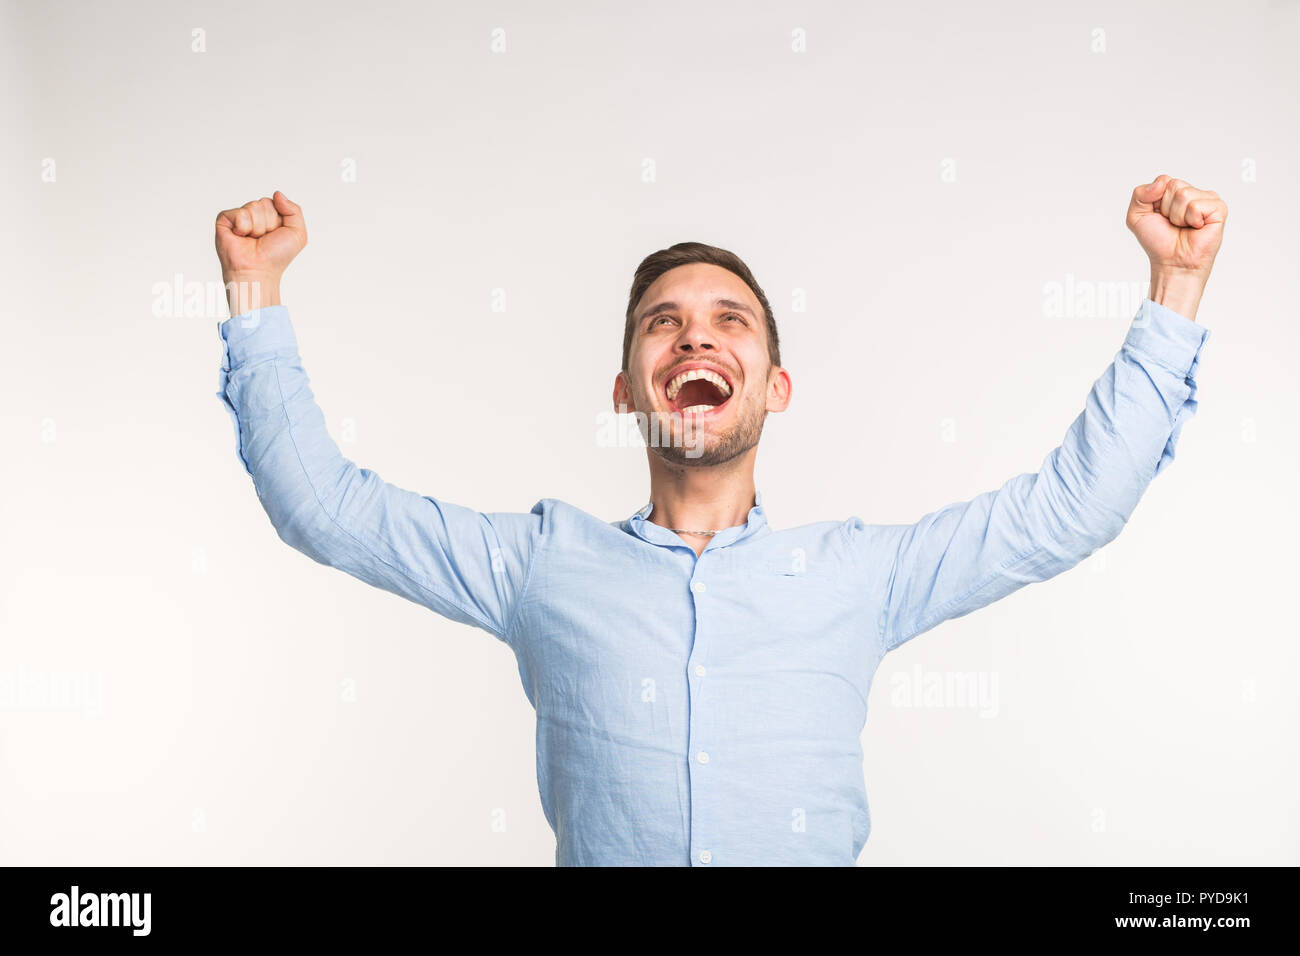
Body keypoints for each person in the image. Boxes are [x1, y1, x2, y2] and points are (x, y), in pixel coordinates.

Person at [213, 177, 1225, 865]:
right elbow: (326, 506)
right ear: (626, 389)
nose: (695, 329)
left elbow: (1067, 507)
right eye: (665, 320)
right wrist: (254, 292)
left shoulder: (858, 574)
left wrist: (1174, 286)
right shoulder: (540, 562)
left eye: (728, 319)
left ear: (774, 385)